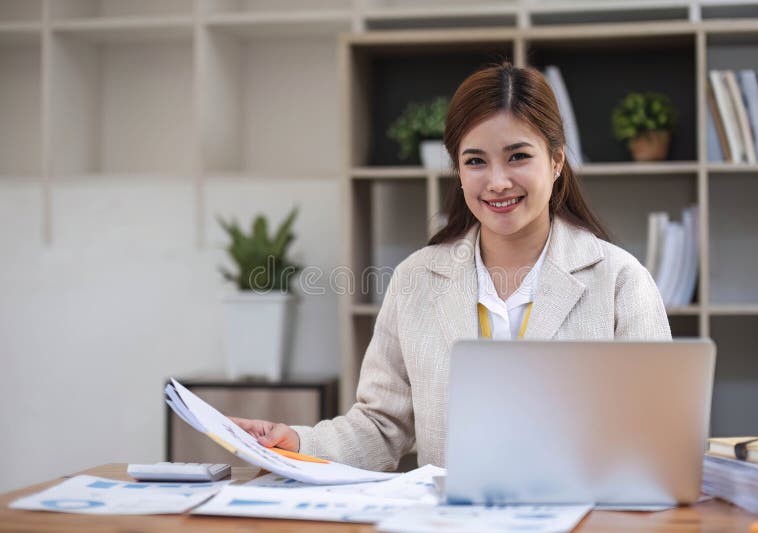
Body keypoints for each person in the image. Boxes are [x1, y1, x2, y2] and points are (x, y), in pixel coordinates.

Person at [231, 62, 671, 472]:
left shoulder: (619, 279)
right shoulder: (416, 279)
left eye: (518, 156)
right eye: (475, 161)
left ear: (556, 161)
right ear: (458, 172)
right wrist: (300, 444)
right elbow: (382, 426)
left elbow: (657, 434)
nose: (497, 181)